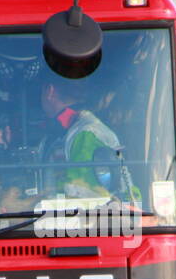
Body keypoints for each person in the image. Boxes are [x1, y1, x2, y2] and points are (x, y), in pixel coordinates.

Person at [37, 75, 138, 203]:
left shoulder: (86, 134)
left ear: (49, 91)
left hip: (101, 220)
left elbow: (81, 199)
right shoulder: (79, 129)